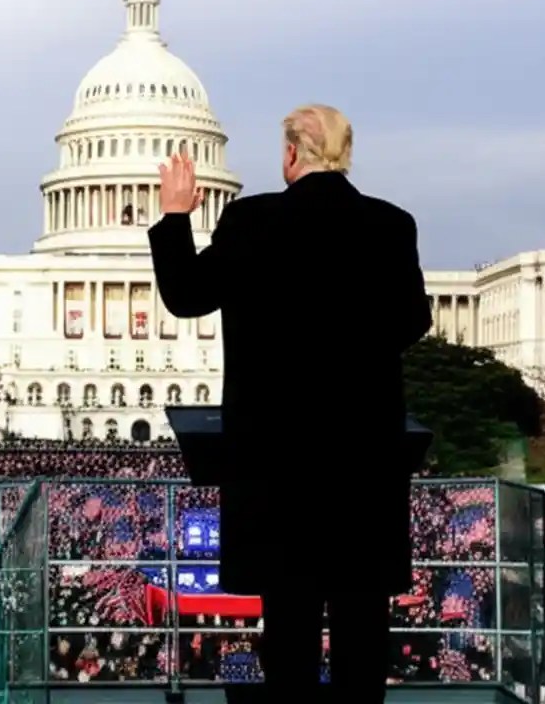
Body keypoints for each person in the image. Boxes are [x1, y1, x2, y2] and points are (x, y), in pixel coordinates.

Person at [148, 104, 431, 702]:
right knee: (362, 625)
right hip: (363, 461)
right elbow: (412, 321)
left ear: (290, 155)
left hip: (277, 465)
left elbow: (186, 295)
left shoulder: (252, 221)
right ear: (346, 154)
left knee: (290, 626)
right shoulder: (392, 225)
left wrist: (176, 217)